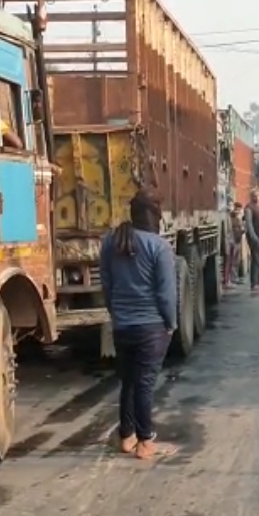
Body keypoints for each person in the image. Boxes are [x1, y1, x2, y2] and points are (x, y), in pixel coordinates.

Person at [100, 189, 177, 460]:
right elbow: (166, 293)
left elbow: (107, 285)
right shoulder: (159, 246)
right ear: (155, 215)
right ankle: (146, 441)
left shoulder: (112, 241)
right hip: (151, 325)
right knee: (144, 383)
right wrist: (170, 323)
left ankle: (127, 435)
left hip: (122, 325)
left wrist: (117, 313)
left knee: (129, 382)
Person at [244, 190, 259, 294]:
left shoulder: (258, 207)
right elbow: (249, 225)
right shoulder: (249, 208)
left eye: (258, 195)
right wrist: (254, 238)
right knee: (255, 260)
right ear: (251, 196)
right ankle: (254, 284)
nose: (257, 197)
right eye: (255, 196)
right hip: (255, 238)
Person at [225, 201, 244, 289]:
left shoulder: (236, 217)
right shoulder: (232, 217)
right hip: (233, 241)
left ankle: (233, 278)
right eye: (236, 209)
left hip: (236, 240)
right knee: (231, 261)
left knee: (235, 260)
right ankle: (230, 279)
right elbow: (233, 229)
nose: (238, 211)